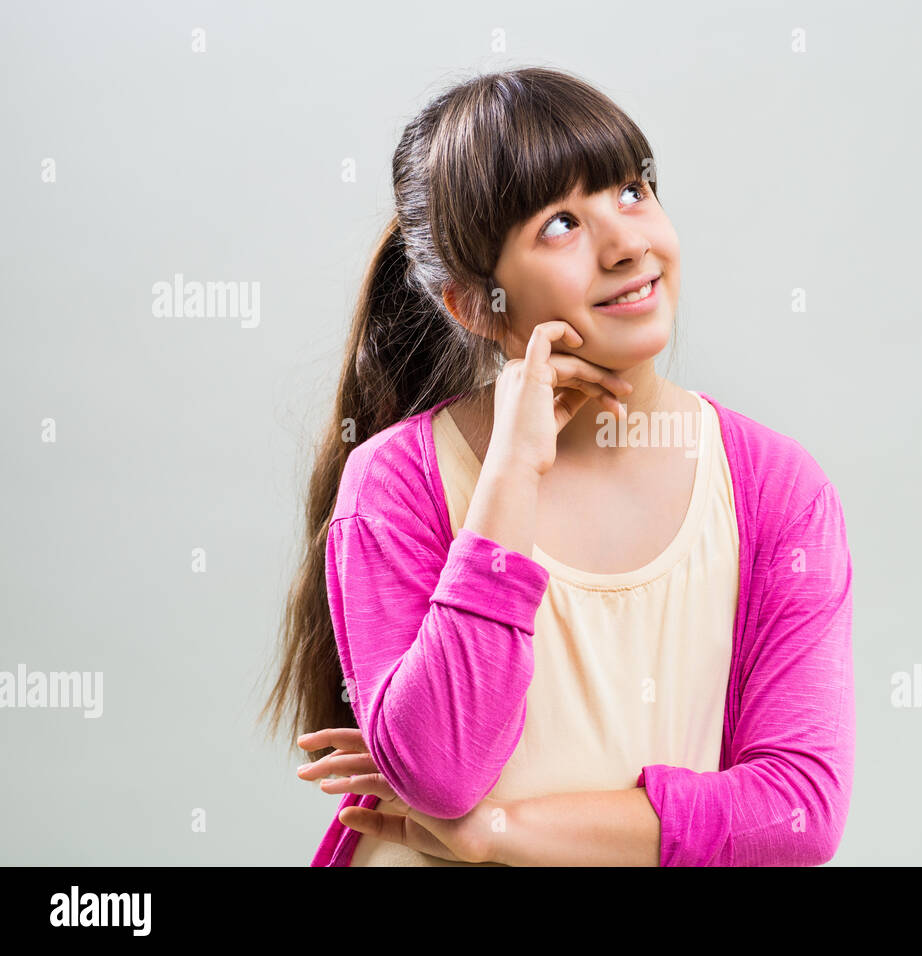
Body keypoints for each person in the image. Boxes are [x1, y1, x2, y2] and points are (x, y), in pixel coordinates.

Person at [260, 66, 856, 866]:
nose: (626, 244)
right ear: (473, 304)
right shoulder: (397, 484)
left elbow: (797, 813)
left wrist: (497, 832)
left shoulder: (774, 488)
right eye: (560, 225)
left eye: (632, 191)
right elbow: (441, 775)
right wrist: (509, 477)